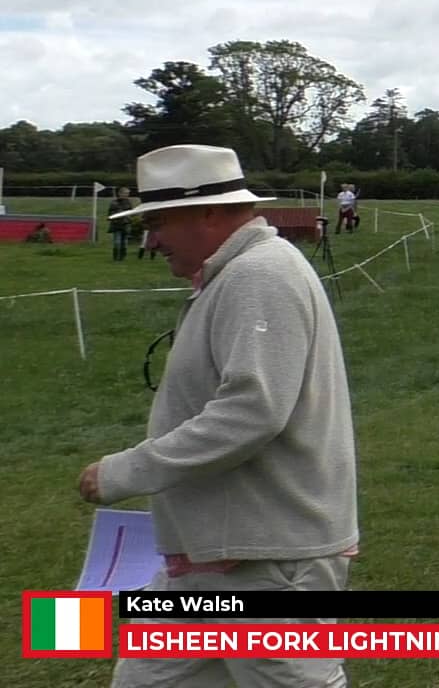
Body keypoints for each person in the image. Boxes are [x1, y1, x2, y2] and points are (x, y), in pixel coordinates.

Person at [80, 144, 360, 688]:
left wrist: (123, 473)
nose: (151, 239)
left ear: (207, 213)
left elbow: (251, 412)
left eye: (158, 222)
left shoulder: (260, 276)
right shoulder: (239, 273)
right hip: (217, 552)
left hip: (265, 560)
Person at [109, 187, 135, 261]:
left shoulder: (129, 202)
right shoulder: (114, 202)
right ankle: (115, 257)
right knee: (117, 242)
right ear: (120, 193)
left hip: (126, 224)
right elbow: (110, 213)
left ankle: (122, 257)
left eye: (128, 194)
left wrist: (129, 217)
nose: (126, 195)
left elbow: (131, 212)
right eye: (125, 193)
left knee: (124, 242)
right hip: (117, 225)